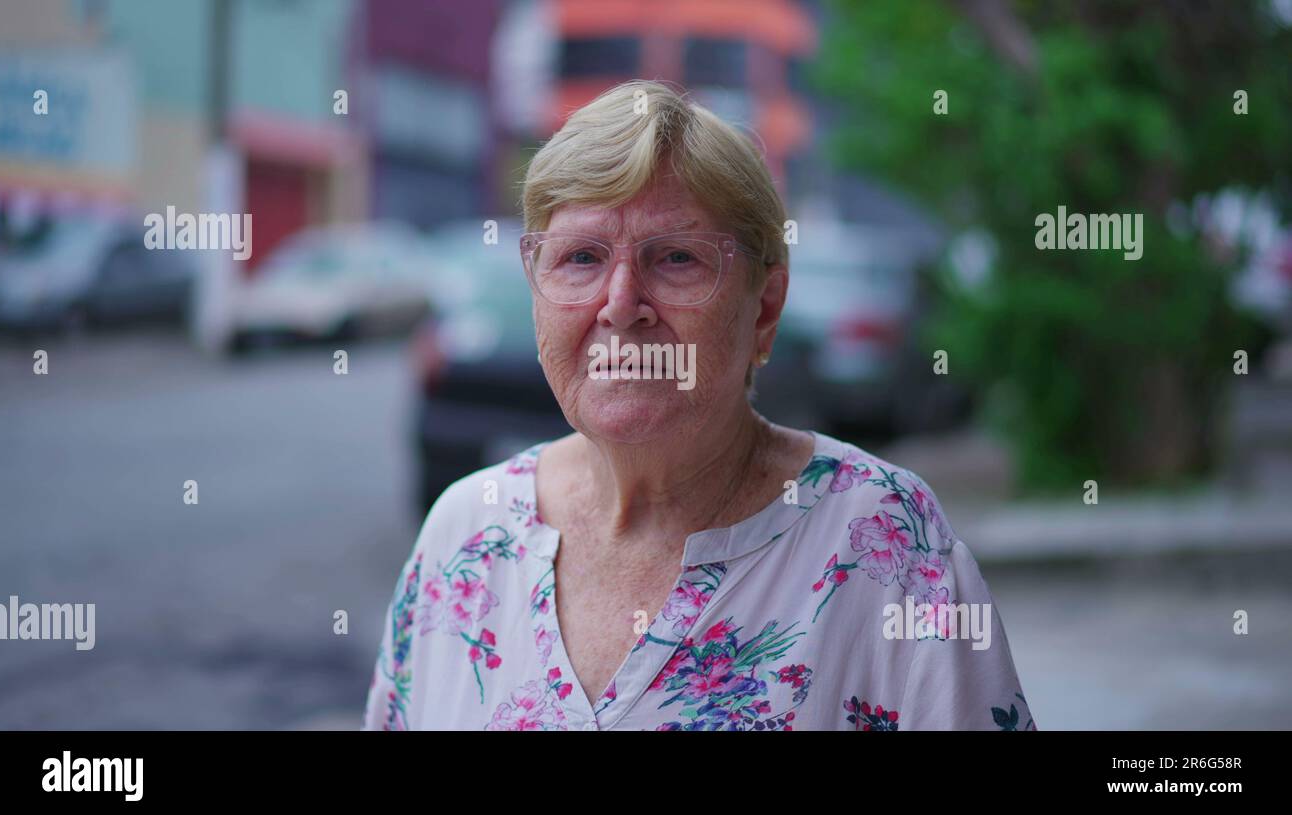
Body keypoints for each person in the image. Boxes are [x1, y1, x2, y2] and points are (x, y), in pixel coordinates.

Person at [362, 80, 1036, 731]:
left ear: (764, 307)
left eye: (677, 258)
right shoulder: (465, 535)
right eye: (581, 258)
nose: (621, 305)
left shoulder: (884, 544)